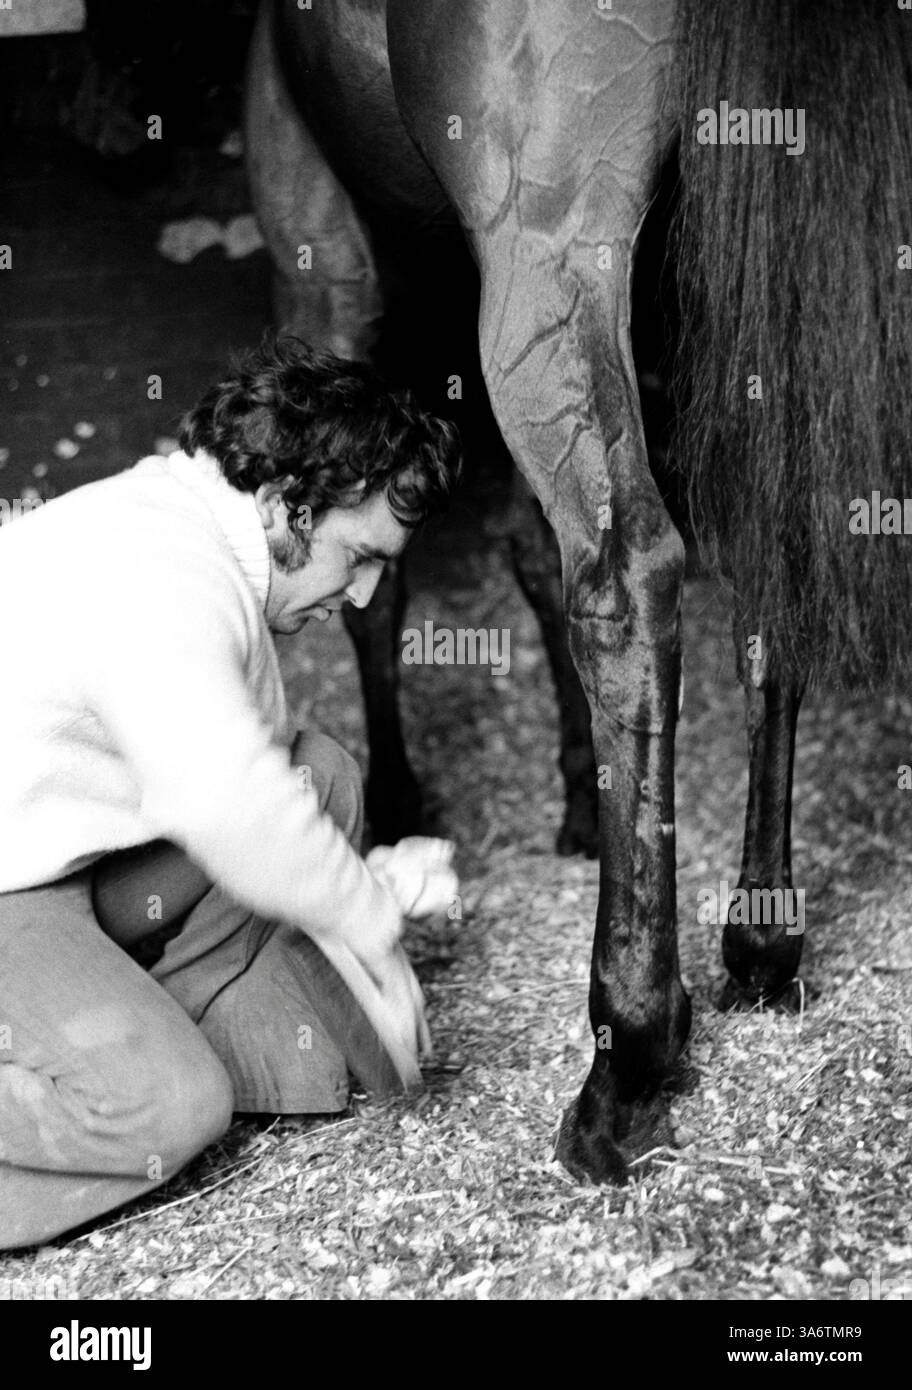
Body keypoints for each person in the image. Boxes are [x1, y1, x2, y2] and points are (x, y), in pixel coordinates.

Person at [0, 336, 461, 1249]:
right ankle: (123, 1064)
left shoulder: (205, 540)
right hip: (10, 884)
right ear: (288, 502)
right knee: (169, 1108)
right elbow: (222, 799)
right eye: (359, 556)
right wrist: (365, 912)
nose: (366, 597)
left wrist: (361, 884)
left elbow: (249, 778)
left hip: (57, 857)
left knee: (313, 772)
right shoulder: (167, 569)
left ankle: (134, 1021)